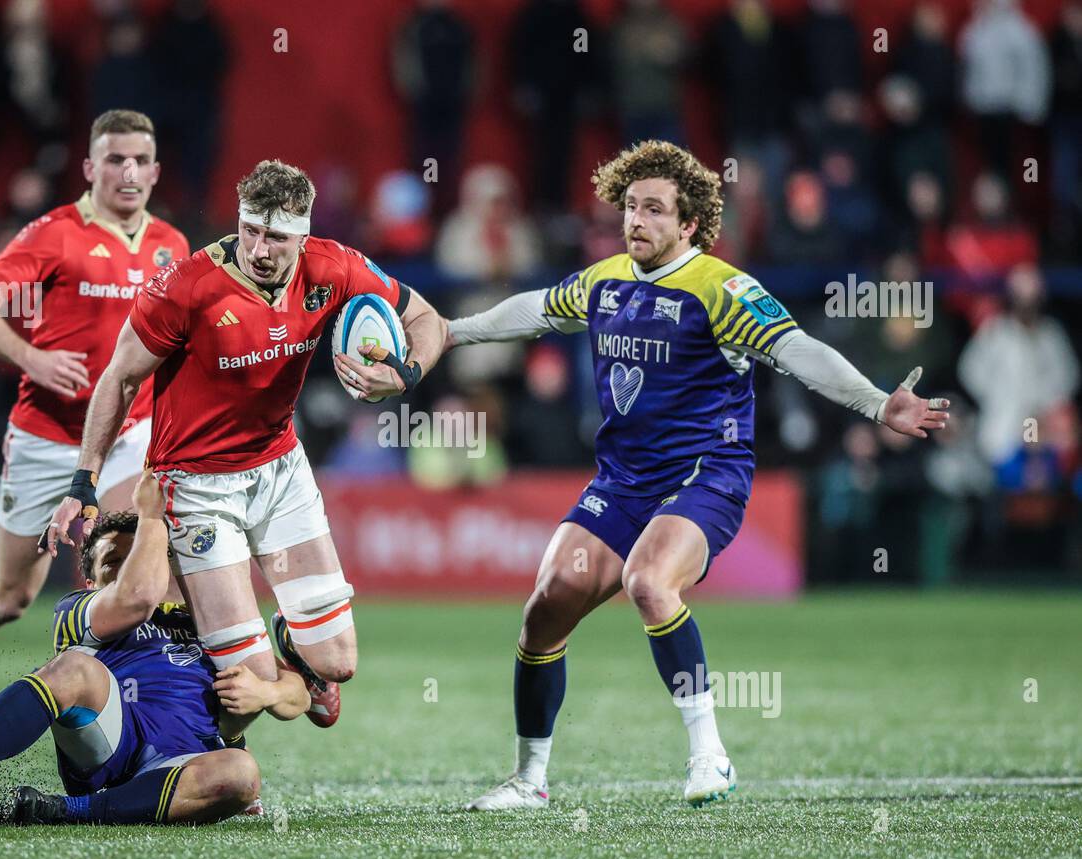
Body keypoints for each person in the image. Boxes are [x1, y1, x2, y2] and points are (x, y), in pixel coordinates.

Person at [399, 140, 949, 809]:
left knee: (649, 581)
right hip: (622, 482)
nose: (637, 220)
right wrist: (453, 332)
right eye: (631, 207)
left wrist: (875, 402)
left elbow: (798, 349)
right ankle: (529, 781)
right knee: (544, 612)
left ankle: (710, 758)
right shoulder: (607, 280)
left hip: (705, 474)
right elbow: (536, 308)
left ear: (688, 225)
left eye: (655, 210)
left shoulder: (721, 288)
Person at [43, 159, 449, 744]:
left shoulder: (333, 267)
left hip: (281, 472)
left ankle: (293, 643)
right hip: (197, 487)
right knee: (249, 684)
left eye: (277, 237)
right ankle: (212, 759)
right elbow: (119, 380)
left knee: (337, 663)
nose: (259, 248)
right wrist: (84, 479)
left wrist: (407, 373)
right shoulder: (186, 287)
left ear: (303, 236)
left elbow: (424, 317)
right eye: (250, 231)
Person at [0, 110, 189, 737]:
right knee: (10, 598)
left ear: (155, 171)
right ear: (90, 168)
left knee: (131, 568)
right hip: (47, 439)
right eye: (114, 159)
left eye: (139, 160)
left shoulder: (172, 246)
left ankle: (134, 719)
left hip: (129, 436)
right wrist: (32, 356)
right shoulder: (54, 234)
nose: (128, 171)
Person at [0, 471, 308, 828]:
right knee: (74, 668)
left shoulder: (206, 622)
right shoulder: (79, 609)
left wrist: (266, 692)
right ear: (89, 581)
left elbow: (296, 695)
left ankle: (68, 810)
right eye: (112, 561)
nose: (125, 569)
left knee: (242, 773)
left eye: (137, 558)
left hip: (181, 763)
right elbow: (134, 597)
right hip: (109, 745)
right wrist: (152, 516)